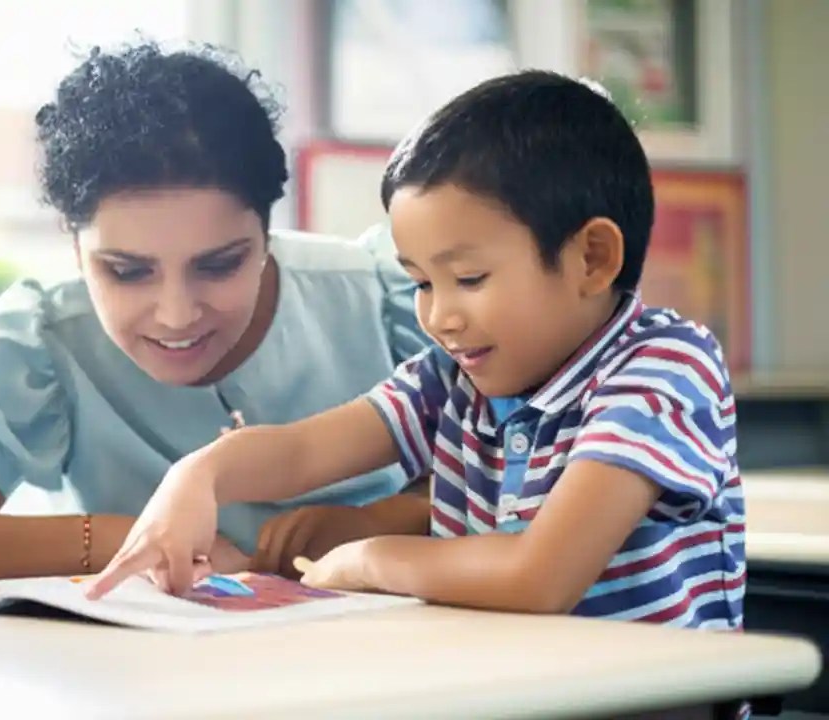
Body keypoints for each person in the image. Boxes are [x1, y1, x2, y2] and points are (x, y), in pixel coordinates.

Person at [89, 70, 746, 632]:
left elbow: (542, 576)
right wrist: (198, 477)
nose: (438, 315)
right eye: (422, 283)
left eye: (469, 279)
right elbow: (305, 451)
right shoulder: (452, 381)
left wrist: (372, 558)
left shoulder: (661, 368)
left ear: (592, 258)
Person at [0, 41, 431, 589]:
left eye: (219, 265)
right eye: (127, 271)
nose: (176, 315)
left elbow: (517, 481)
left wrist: (385, 518)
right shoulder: (33, 347)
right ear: (73, 244)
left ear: (268, 229)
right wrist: (129, 536)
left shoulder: (397, 297)